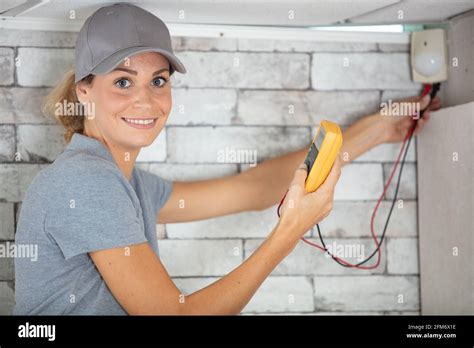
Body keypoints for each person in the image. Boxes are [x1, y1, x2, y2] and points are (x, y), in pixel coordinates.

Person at [13, 3, 441, 315]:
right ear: (84, 90)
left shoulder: (128, 184)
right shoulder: (85, 182)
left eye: (158, 80)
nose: (145, 99)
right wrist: (290, 230)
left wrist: (377, 130)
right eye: (123, 81)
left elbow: (250, 191)